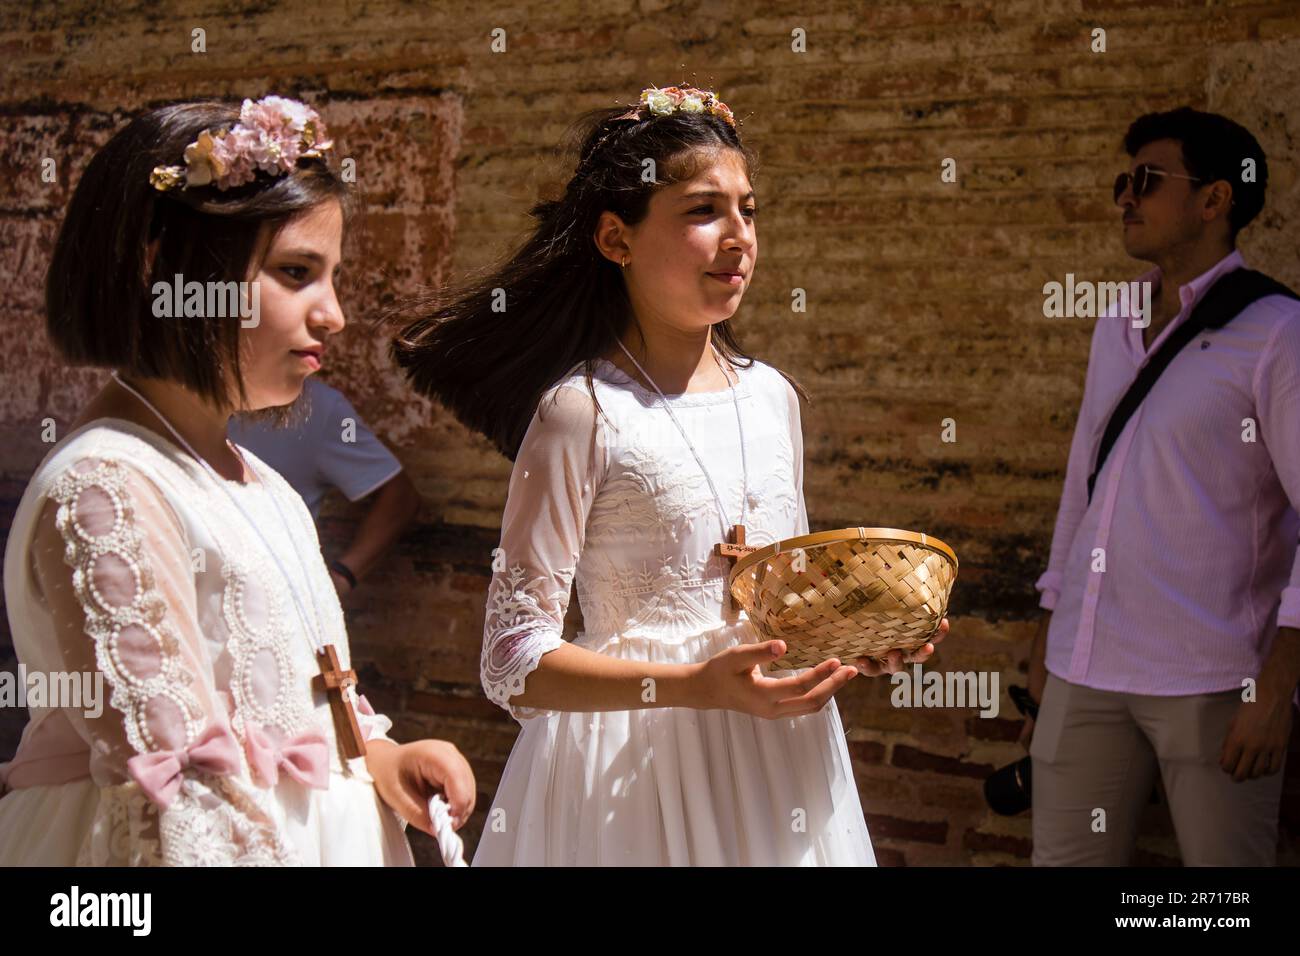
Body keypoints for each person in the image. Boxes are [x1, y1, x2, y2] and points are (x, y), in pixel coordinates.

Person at [393, 84, 947, 865]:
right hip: (629, 782)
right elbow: (512, 660)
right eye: (702, 211)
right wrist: (694, 683)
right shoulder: (579, 412)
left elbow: (779, 606)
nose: (739, 238)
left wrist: (857, 639)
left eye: (748, 210)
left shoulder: (774, 398)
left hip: (778, 768)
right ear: (616, 239)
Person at [0, 95, 473, 865]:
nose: (335, 315)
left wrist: (379, 760)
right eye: (296, 273)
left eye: (332, 276)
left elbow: (296, 694)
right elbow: (175, 786)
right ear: (167, 271)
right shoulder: (108, 488)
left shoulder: (261, 485)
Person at [1025, 107, 1300, 866]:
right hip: (1085, 662)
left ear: (1215, 200)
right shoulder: (1114, 321)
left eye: (1146, 180)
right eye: (1125, 181)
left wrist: (1278, 685)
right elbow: (1084, 483)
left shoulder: (1276, 332)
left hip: (1213, 677)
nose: (1125, 197)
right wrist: (1051, 614)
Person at [228, 377, 422, 599]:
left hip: (273, 603)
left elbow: (401, 497)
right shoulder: (186, 404)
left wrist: (342, 577)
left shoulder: (322, 408)